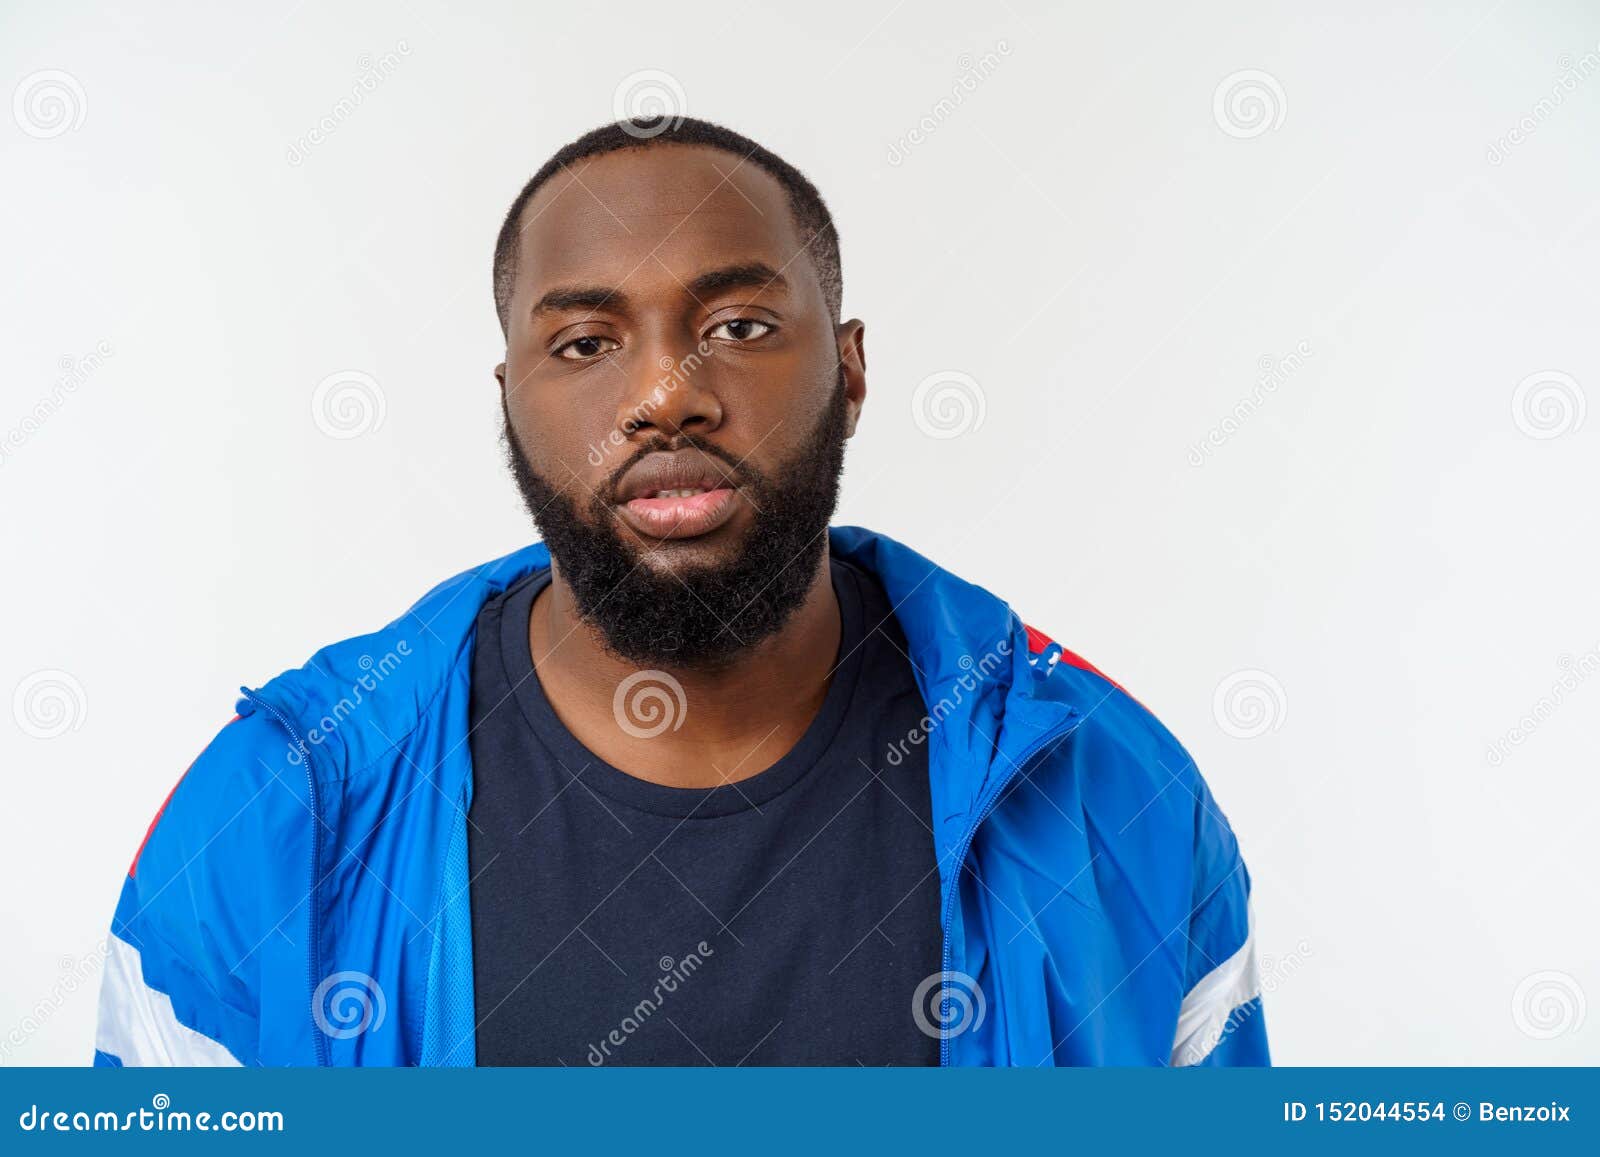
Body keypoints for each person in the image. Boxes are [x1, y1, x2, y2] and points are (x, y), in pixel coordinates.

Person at [94, 117, 1267, 1067]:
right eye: (585, 343)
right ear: (509, 398)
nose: (665, 392)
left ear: (849, 369)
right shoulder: (276, 811)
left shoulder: (1107, 789)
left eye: (739, 325)